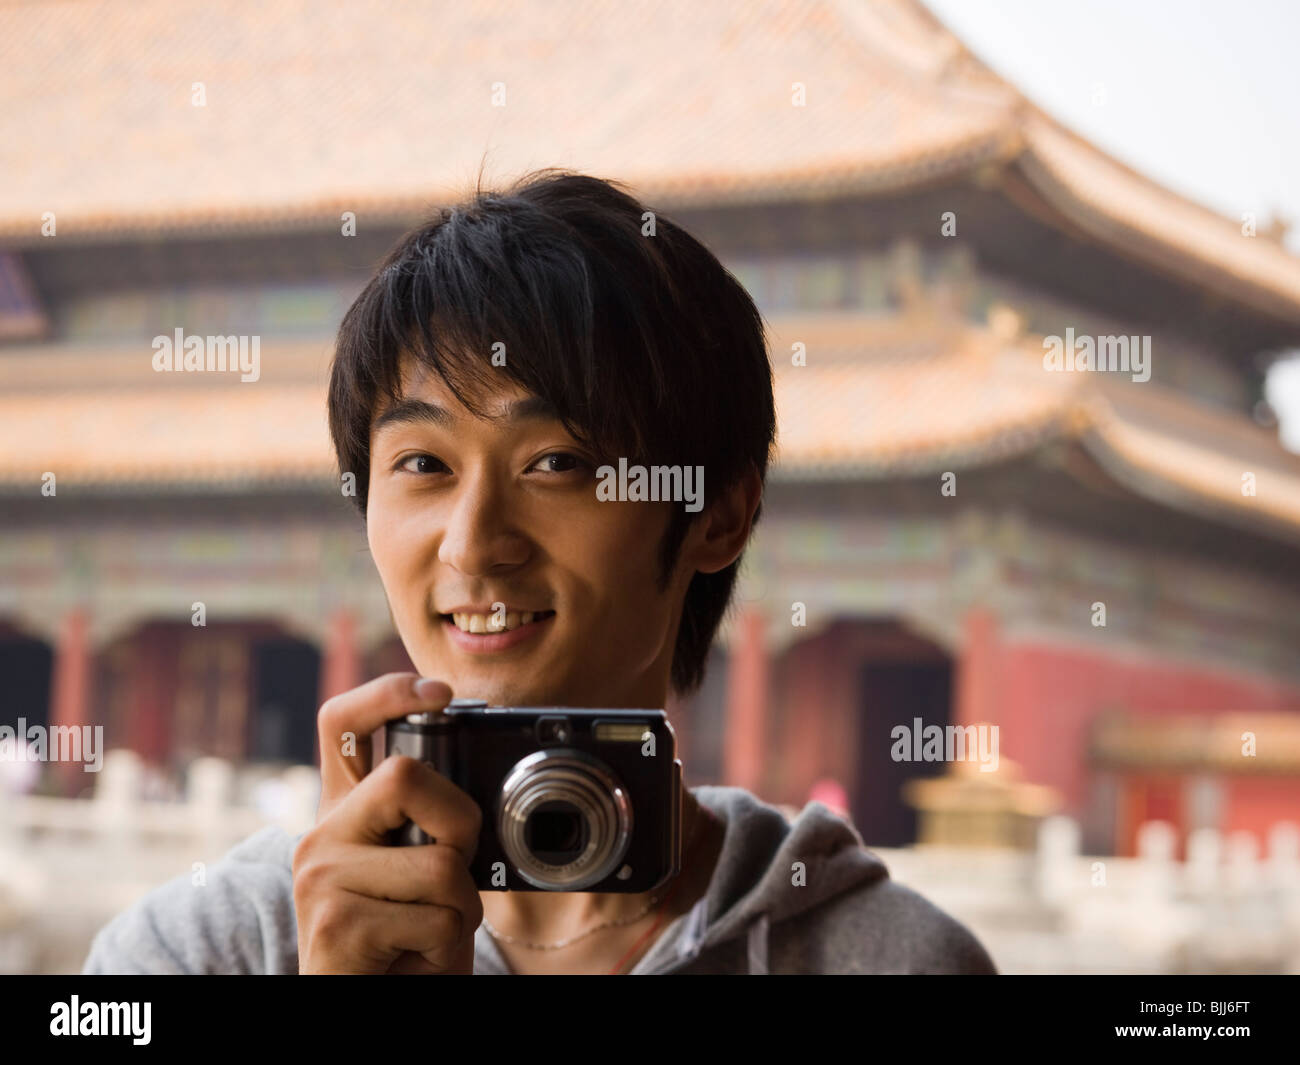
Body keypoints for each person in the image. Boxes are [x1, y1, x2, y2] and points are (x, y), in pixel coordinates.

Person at [82, 169, 997, 975]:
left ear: (717, 512)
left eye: (556, 462)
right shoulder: (200, 951)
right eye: (422, 465)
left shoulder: (881, 957)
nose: (473, 544)